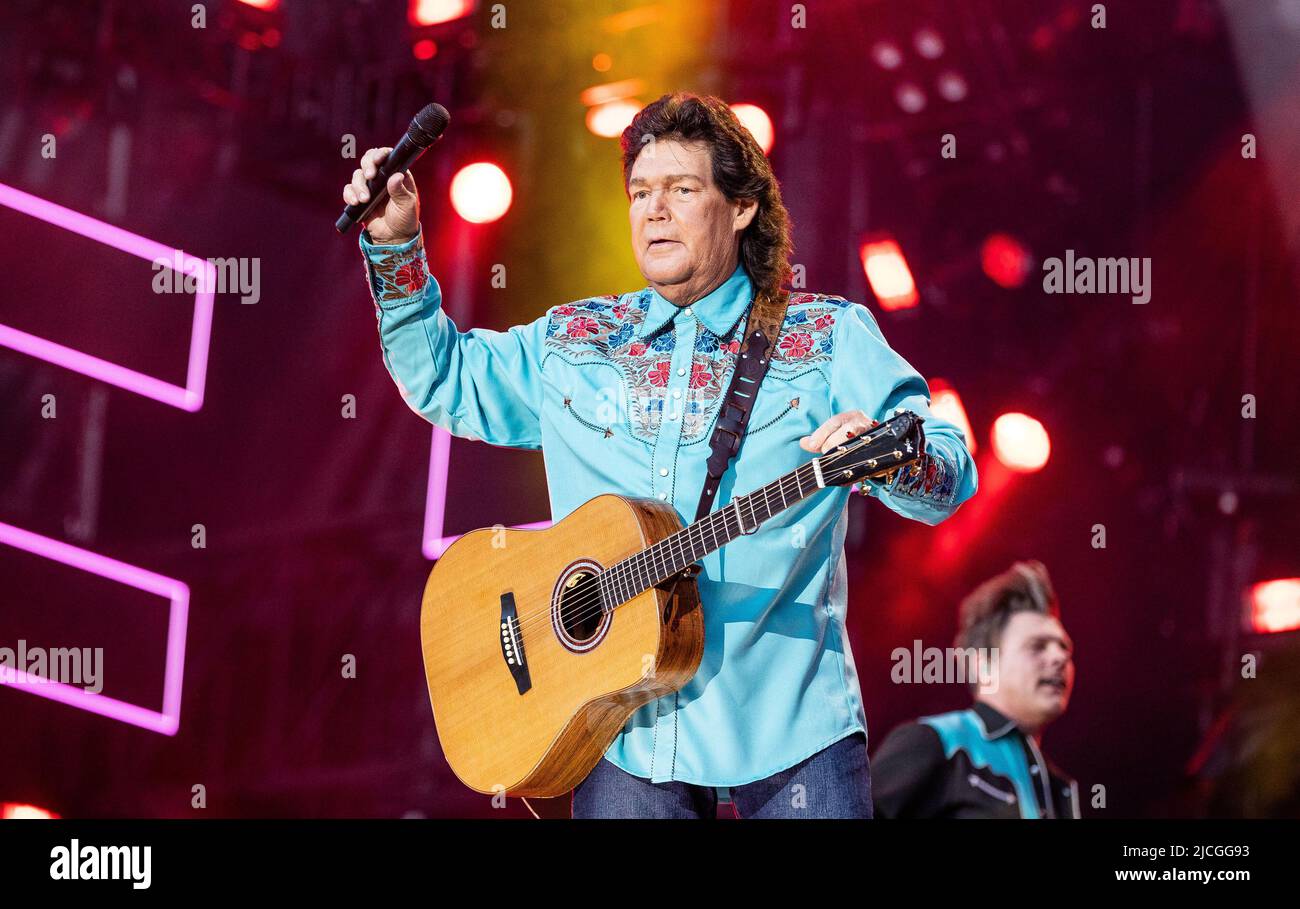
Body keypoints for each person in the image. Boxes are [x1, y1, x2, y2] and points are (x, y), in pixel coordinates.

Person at [343, 92, 977, 818]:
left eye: (682, 189)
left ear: (741, 208)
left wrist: (900, 460)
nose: (654, 209)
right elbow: (444, 378)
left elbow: (950, 469)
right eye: (642, 191)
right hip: (623, 731)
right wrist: (396, 246)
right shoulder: (576, 338)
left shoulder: (826, 336)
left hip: (792, 730)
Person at [871, 561, 1080, 818]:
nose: (1060, 658)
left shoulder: (1060, 787)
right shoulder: (935, 741)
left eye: (1065, 648)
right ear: (983, 665)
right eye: (1038, 646)